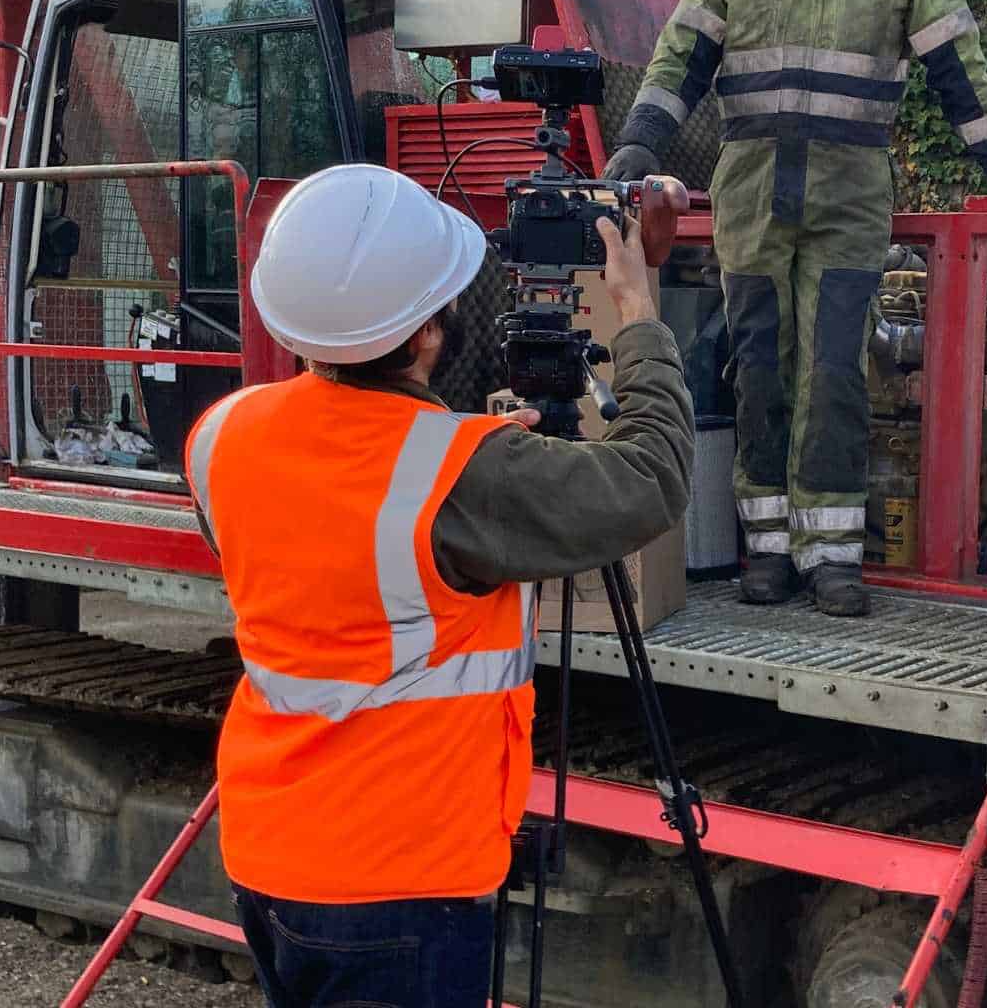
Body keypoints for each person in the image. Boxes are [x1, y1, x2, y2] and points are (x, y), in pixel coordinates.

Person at [184, 163, 693, 1008]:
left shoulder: (222, 433)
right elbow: (653, 478)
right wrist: (637, 315)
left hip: (268, 857)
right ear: (426, 333)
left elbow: (342, 513)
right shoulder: (465, 474)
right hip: (402, 883)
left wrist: (475, 457)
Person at [605, 0, 987, 617]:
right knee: (758, 367)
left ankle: (831, 556)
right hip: (753, 193)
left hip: (848, 197)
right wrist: (641, 142)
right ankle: (768, 549)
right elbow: (681, 56)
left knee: (834, 372)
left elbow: (956, 64)